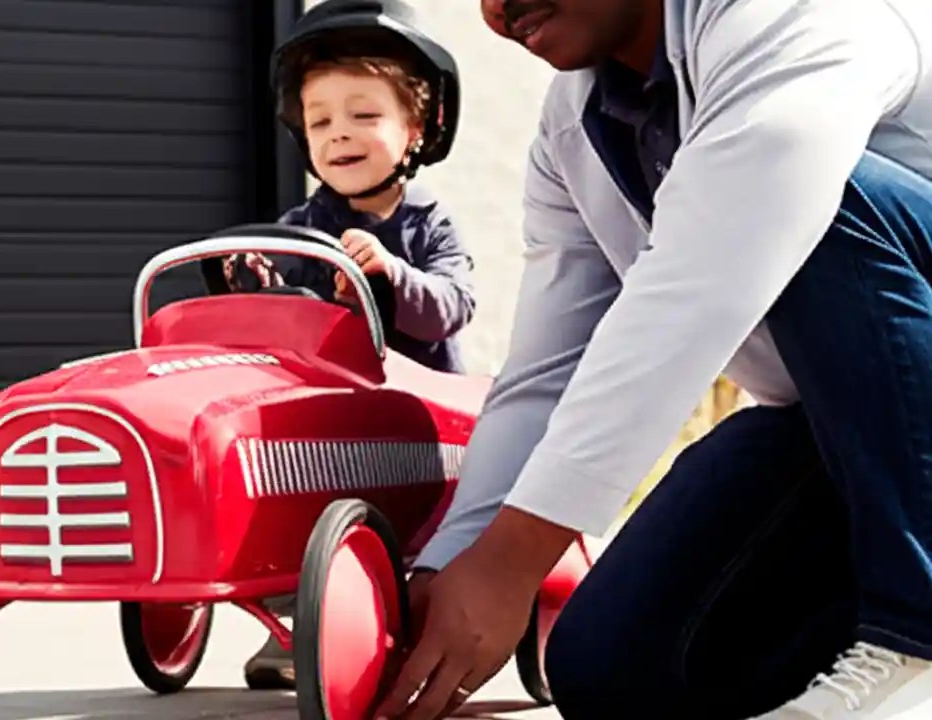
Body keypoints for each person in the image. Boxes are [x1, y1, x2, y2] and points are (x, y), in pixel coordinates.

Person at [370, 0, 932, 718]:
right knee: (611, 670)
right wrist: (455, 564)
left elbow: (700, 281)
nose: (495, 9)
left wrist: (512, 561)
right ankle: (864, 653)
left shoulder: (795, 16)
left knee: (823, 187)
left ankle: (917, 635)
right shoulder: (578, 127)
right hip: (838, 429)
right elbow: (548, 368)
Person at [233, 0, 478, 689]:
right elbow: (277, 318)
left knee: (425, 527)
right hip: (333, 417)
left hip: (418, 420)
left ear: (418, 129)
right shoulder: (299, 225)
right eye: (321, 121)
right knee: (291, 500)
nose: (339, 134)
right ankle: (301, 621)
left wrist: (391, 272)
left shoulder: (430, 225)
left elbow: (452, 309)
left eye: (364, 116)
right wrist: (252, 278)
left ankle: (393, 610)